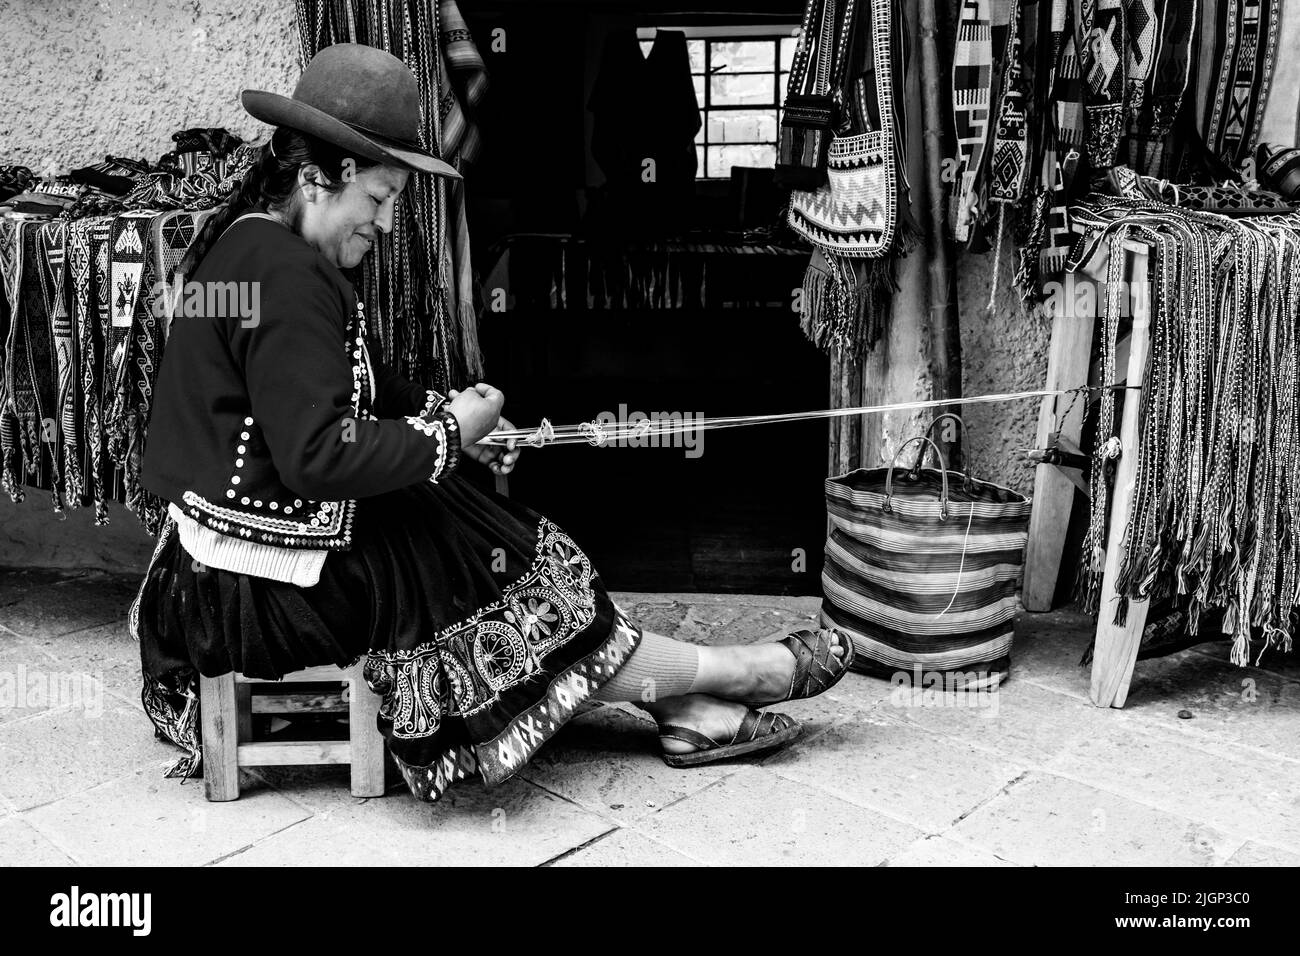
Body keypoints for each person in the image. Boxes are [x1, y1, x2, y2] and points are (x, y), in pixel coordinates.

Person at [132, 43, 852, 803]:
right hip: (255, 592)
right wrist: (450, 435)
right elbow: (317, 457)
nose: (382, 223)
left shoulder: (260, 244)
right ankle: (719, 679)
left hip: (231, 566)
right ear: (317, 179)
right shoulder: (280, 274)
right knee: (480, 558)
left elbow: (357, 389)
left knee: (472, 528)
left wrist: (446, 418)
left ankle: (687, 699)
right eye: (377, 200)